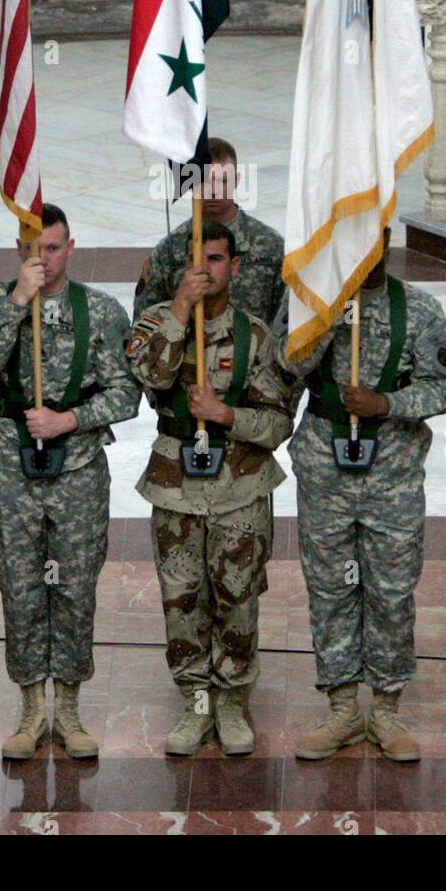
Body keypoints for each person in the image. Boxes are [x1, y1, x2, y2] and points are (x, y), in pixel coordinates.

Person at [0, 204, 139, 760]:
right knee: (20, 587)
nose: (45, 258)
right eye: (35, 248)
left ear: (71, 247)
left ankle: (70, 706)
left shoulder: (102, 311)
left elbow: (127, 394)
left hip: (79, 467)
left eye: (55, 247)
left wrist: (70, 419)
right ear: (19, 249)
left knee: (76, 586)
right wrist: (17, 301)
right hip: (11, 466)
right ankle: (31, 706)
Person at [274, 228, 446, 762]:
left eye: (372, 240)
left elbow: (441, 389)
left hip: (392, 474)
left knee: (392, 591)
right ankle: (343, 708)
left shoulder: (418, 310)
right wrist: (324, 319)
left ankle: (388, 709)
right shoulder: (311, 304)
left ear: (386, 240)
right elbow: (288, 363)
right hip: (326, 469)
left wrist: (386, 404)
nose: (363, 252)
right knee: (330, 588)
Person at [127, 221, 293, 756]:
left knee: (238, 598)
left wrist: (227, 415)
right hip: (176, 486)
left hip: (239, 488)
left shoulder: (257, 335)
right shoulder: (156, 321)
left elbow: (278, 424)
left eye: (217, 260)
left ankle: (232, 699)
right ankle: (196, 700)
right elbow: (149, 377)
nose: (206, 270)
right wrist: (178, 309)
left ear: (235, 267)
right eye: (197, 261)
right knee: (182, 600)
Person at [133, 137, 284, 327]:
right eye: (205, 181)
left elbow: (286, 325)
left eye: (223, 181)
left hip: (252, 353)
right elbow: (144, 323)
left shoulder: (270, 247)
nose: (214, 191)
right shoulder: (169, 251)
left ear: (236, 180)